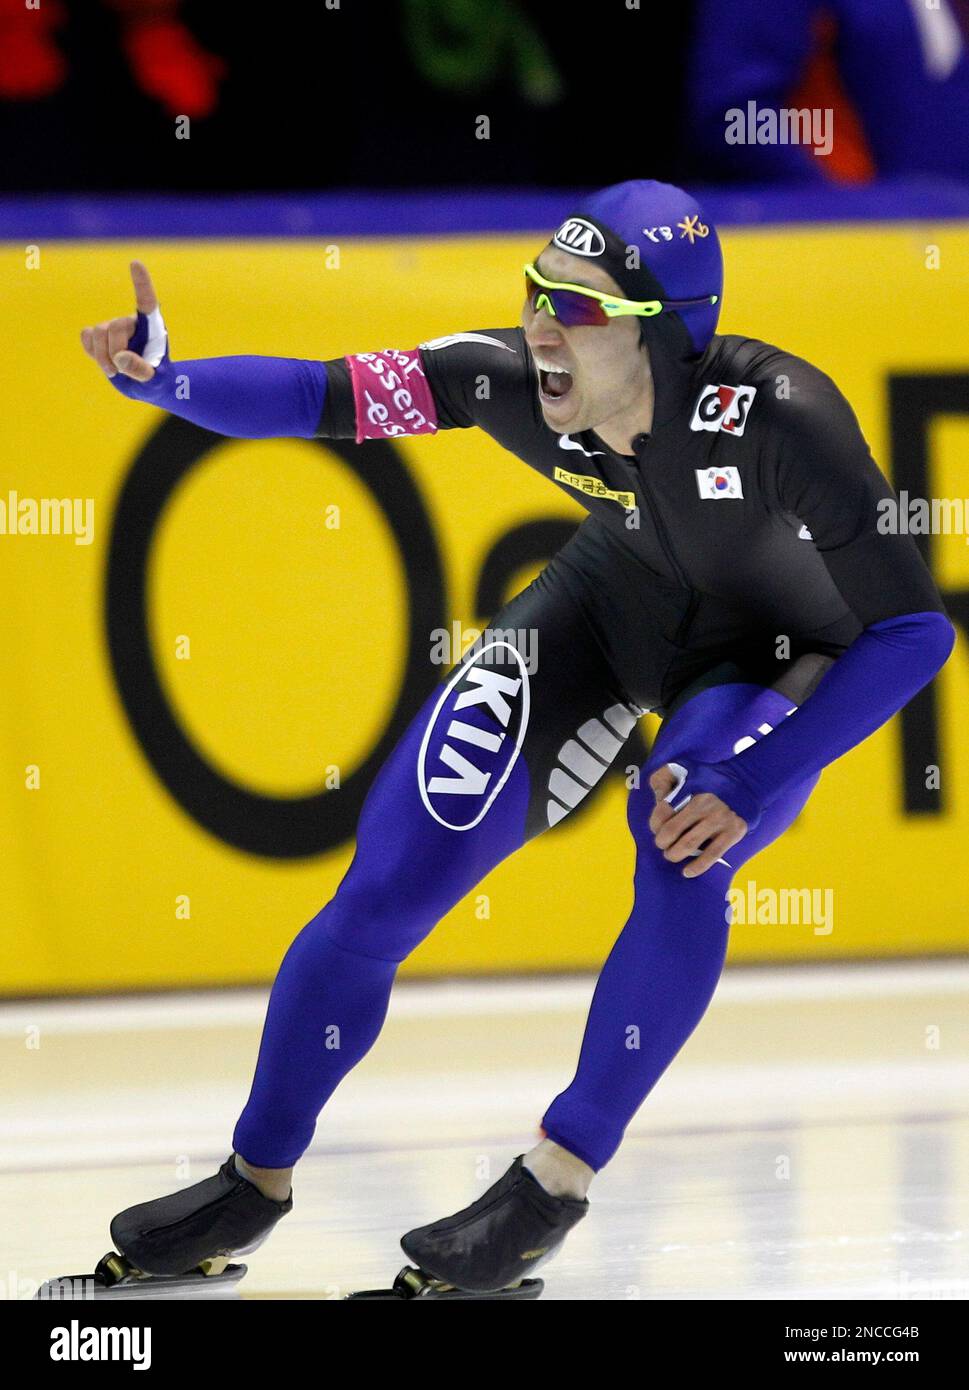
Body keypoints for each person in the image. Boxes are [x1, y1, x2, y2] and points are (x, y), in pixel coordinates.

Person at [79, 179, 954, 1297]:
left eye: (579, 310)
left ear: (663, 334)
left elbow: (913, 631)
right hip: (609, 607)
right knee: (391, 875)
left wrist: (758, 771)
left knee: (682, 823)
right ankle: (254, 1178)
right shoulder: (500, 375)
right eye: (538, 293)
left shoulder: (780, 413)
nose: (542, 326)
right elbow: (314, 395)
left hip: (777, 655)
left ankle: (555, 1178)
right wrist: (169, 379)